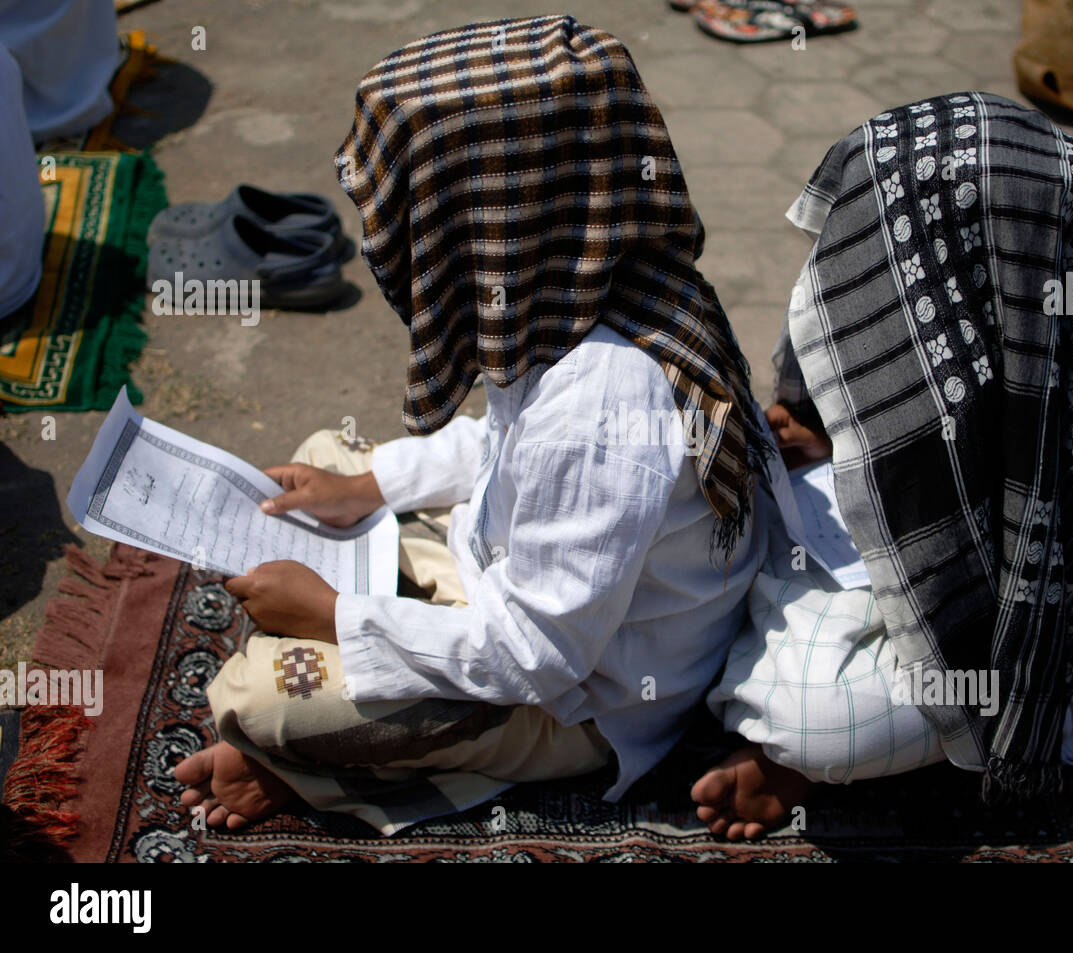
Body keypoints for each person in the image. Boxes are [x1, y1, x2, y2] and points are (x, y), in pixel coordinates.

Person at [174, 15, 773, 834]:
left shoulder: (600, 402)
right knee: (324, 460)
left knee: (263, 701)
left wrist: (332, 617)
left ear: (494, 211)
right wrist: (368, 484)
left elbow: (537, 655)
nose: (391, 243)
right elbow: (502, 442)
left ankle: (308, 773)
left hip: (580, 699)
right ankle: (358, 660)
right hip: (517, 576)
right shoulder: (596, 278)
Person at [693, 93, 1073, 840]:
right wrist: (826, 434)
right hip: (909, 574)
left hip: (1029, 664)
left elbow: (1016, 647)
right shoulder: (971, 309)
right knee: (729, 511)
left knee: (819, 720)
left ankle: (809, 750)